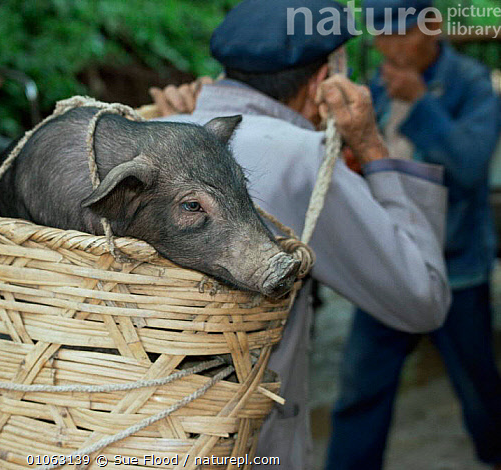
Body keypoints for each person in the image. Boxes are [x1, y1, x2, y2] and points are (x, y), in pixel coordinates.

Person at [150, 0, 450, 468]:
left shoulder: (150, 130)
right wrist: (371, 145)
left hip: (143, 429)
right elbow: (422, 298)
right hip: (247, 444)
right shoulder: (299, 157)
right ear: (322, 82)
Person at [325, 1, 501, 469]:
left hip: (456, 268)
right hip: (388, 263)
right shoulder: (377, 87)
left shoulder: (470, 82)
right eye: (383, 36)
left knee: (478, 387)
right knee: (361, 389)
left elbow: (468, 166)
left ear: (433, 27)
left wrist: (422, 102)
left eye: (404, 33)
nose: (392, 47)